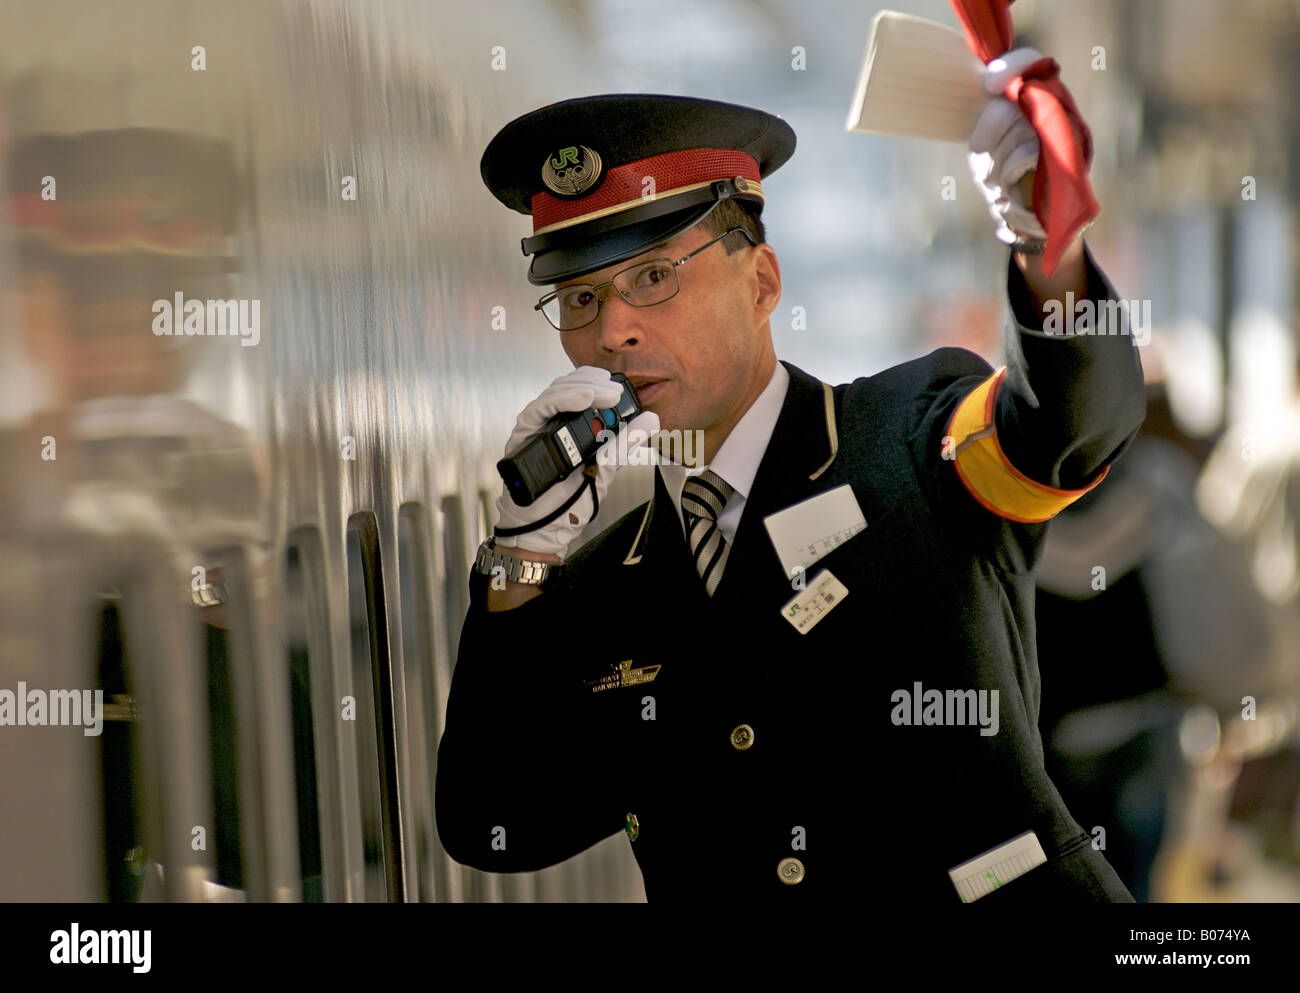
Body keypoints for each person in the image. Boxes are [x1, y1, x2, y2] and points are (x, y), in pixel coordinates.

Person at [434, 75, 1144, 901]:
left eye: (654, 278)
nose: (612, 331)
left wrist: (1045, 250)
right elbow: (498, 818)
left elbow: (1067, 423)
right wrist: (518, 560)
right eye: (580, 298)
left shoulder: (911, 439)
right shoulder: (604, 582)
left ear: (762, 284)